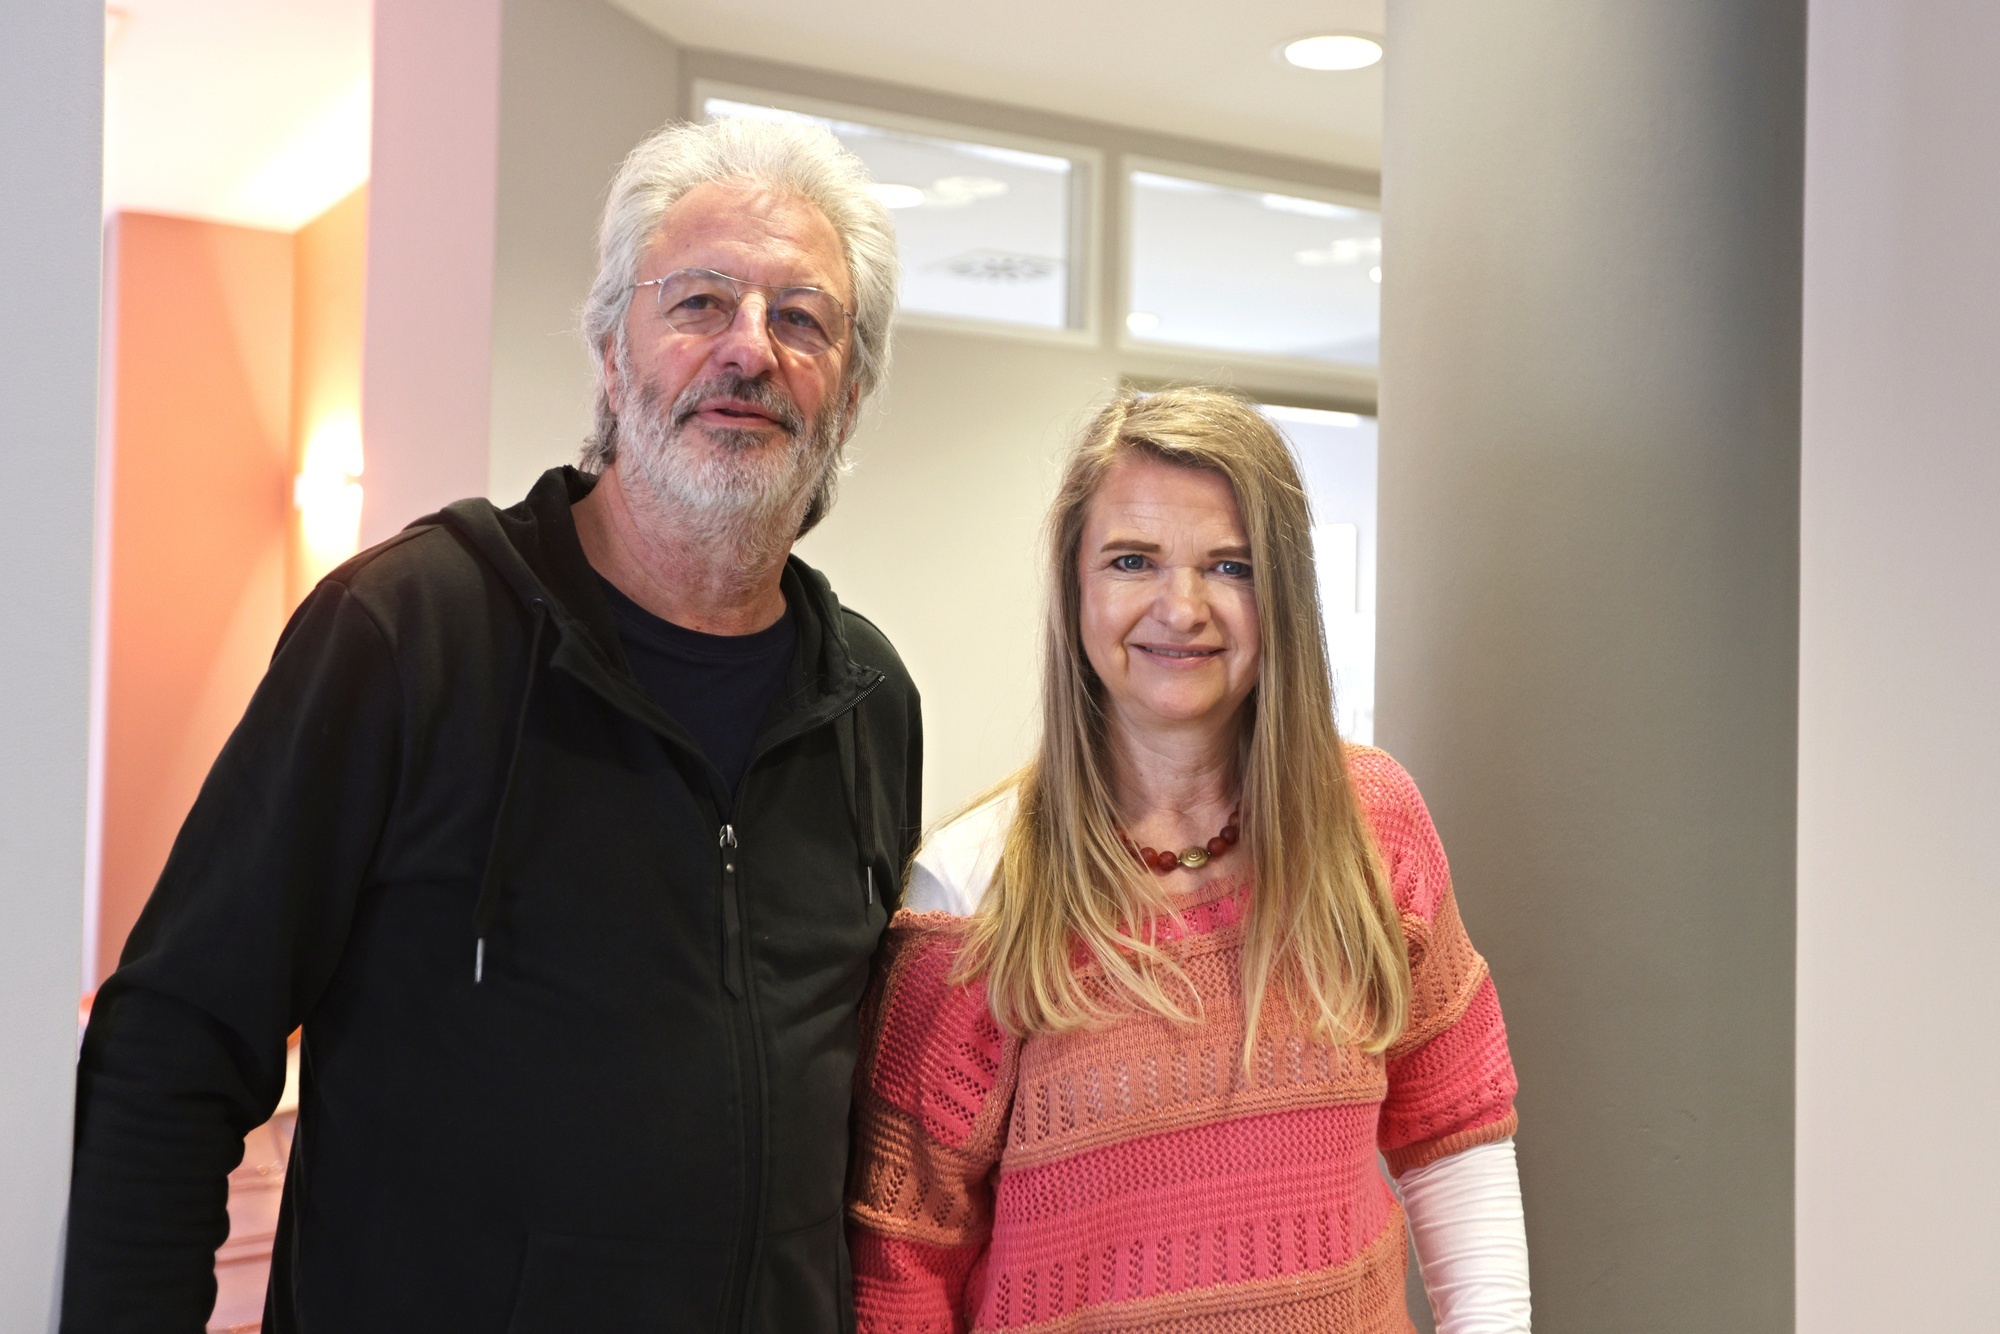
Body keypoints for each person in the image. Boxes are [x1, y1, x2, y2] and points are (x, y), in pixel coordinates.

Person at [64, 117, 921, 1332]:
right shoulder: (407, 631)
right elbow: (173, 1043)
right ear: (612, 354)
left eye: (801, 317)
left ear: (849, 390)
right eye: (698, 303)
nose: (749, 349)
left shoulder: (868, 700)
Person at [845, 388, 1529, 1332]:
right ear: (1075, 587)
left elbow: (1454, 1129)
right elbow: (903, 1261)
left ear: (1281, 593)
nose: (1182, 607)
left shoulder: (1374, 823)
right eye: (1132, 561)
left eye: (1229, 566)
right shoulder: (975, 890)